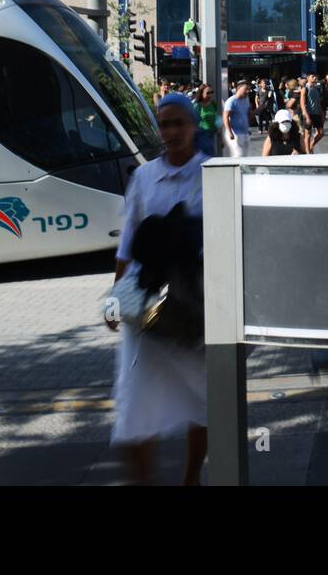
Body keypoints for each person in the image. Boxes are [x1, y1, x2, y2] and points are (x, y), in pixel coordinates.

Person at [107, 93, 209, 485]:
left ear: (193, 126)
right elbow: (127, 245)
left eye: (178, 123)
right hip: (146, 300)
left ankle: (191, 478)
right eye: (164, 124)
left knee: (204, 398)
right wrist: (115, 300)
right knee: (134, 403)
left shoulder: (213, 172)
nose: (170, 132)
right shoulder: (144, 176)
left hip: (192, 306)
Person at [222, 80, 251, 158]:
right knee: (238, 156)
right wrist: (230, 132)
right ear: (239, 89)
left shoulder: (246, 100)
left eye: (249, 89)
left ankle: (243, 170)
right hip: (235, 133)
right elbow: (225, 117)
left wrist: (259, 108)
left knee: (245, 156)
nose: (248, 91)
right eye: (246, 89)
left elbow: (247, 115)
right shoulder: (231, 101)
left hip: (245, 133)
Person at [193, 83, 219, 157]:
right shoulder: (197, 106)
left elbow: (217, 119)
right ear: (201, 93)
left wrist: (221, 137)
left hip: (212, 135)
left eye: (212, 92)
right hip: (201, 136)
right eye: (208, 93)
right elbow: (192, 122)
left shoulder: (213, 104)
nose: (210, 95)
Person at [302, 72, 326, 153]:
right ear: (308, 78)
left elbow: (318, 103)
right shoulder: (305, 88)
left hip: (316, 114)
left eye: (315, 76)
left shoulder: (316, 88)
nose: (315, 78)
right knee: (307, 134)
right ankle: (308, 152)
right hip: (308, 114)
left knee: (321, 133)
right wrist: (307, 117)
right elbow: (302, 104)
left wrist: (322, 114)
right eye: (313, 76)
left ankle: (311, 146)